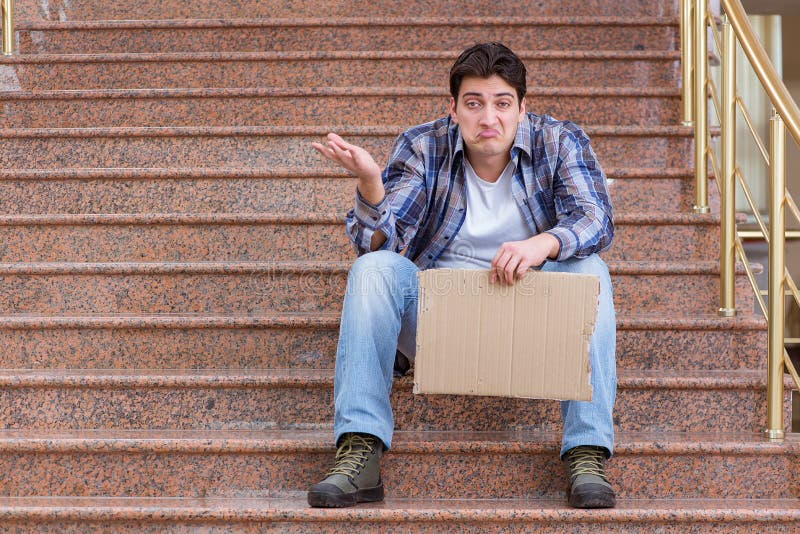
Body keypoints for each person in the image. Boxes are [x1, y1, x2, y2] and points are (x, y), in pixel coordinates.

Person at [307, 42, 616, 509]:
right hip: (441, 325)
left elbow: (596, 219)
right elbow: (385, 245)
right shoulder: (423, 145)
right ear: (453, 109)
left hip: (535, 321)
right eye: (473, 103)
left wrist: (542, 244)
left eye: (501, 103)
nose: (487, 117)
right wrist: (371, 186)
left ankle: (586, 451)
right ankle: (361, 451)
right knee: (373, 269)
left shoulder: (559, 141)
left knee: (589, 267)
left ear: (522, 109)